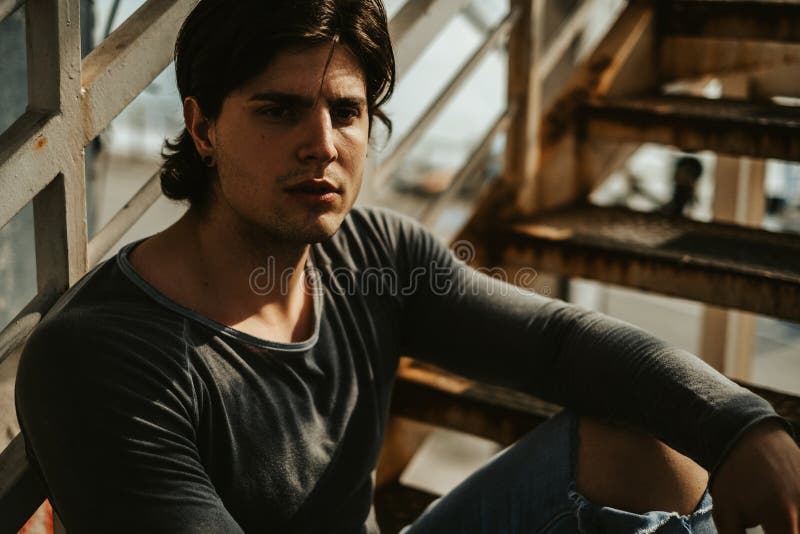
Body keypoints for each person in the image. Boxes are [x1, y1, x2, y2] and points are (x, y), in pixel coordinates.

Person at [15, 1, 800, 533]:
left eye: (346, 112)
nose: (322, 143)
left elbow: (558, 343)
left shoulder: (372, 254)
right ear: (203, 126)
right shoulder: (103, 358)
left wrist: (741, 425)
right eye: (279, 109)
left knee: (650, 439)